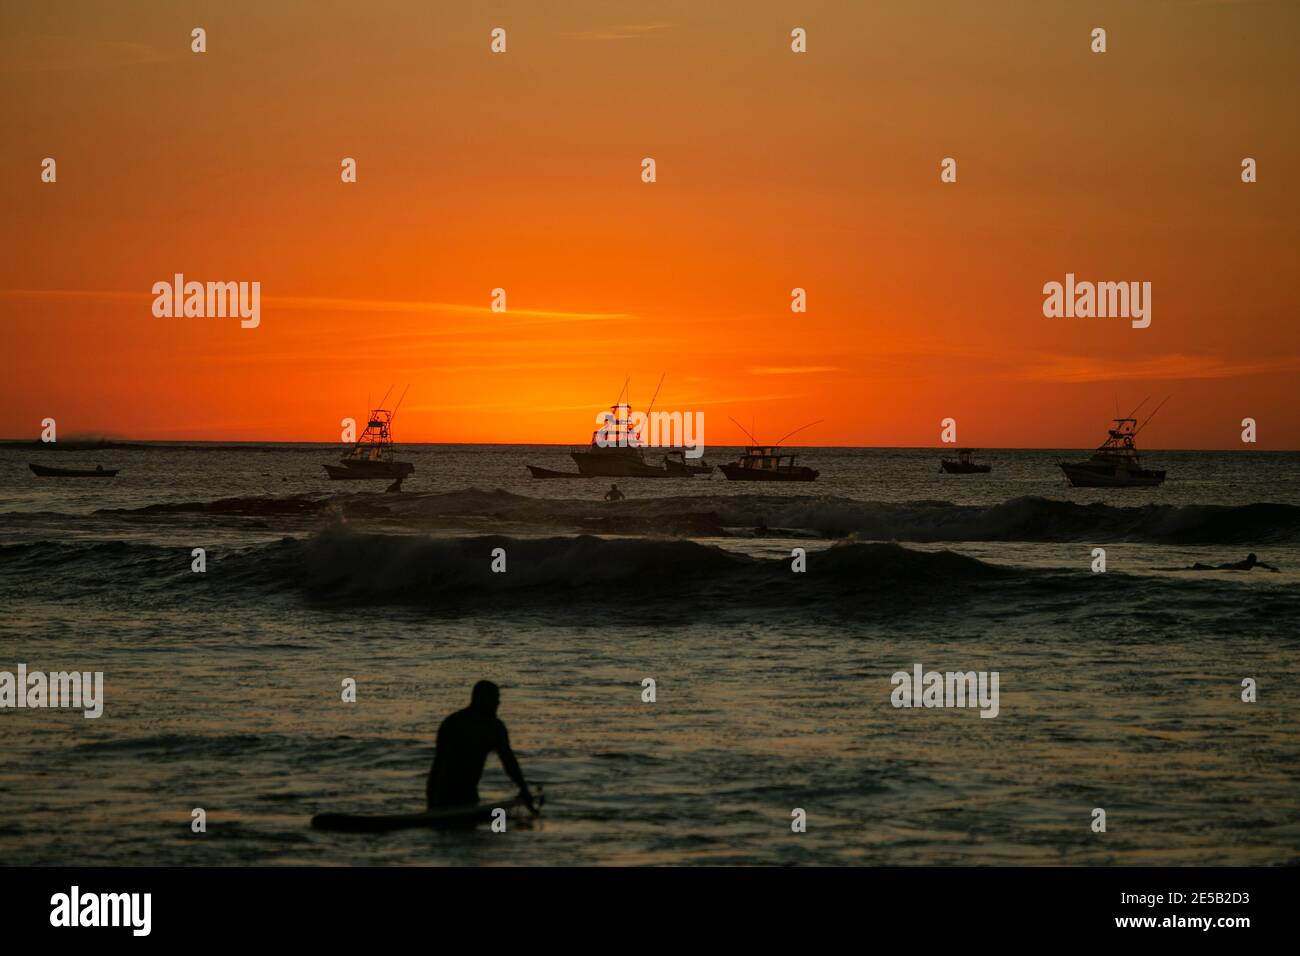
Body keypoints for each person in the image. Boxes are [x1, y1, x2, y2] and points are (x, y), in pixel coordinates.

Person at [426, 680, 536, 813]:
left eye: (498, 699)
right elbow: (440, 765)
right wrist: (432, 801)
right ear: (480, 699)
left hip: (469, 794)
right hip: (443, 793)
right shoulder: (455, 724)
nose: (498, 703)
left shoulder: (494, 727)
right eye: (494, 699)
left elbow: (509, 763)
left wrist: (523, 789)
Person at [1190, 553, 1279, 572]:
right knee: (1214, 569)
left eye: (1255, 559)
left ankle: (1198, 566)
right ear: (1250, 559)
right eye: (1254, 559)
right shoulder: (1247, 563)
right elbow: (1239, 565)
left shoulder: (1251, 563)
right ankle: (1198, 566)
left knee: (1214, 568)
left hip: (1230, 566)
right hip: (1229, 567)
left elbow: (1262, 565)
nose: (1255, 561)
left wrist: (1271, 568)